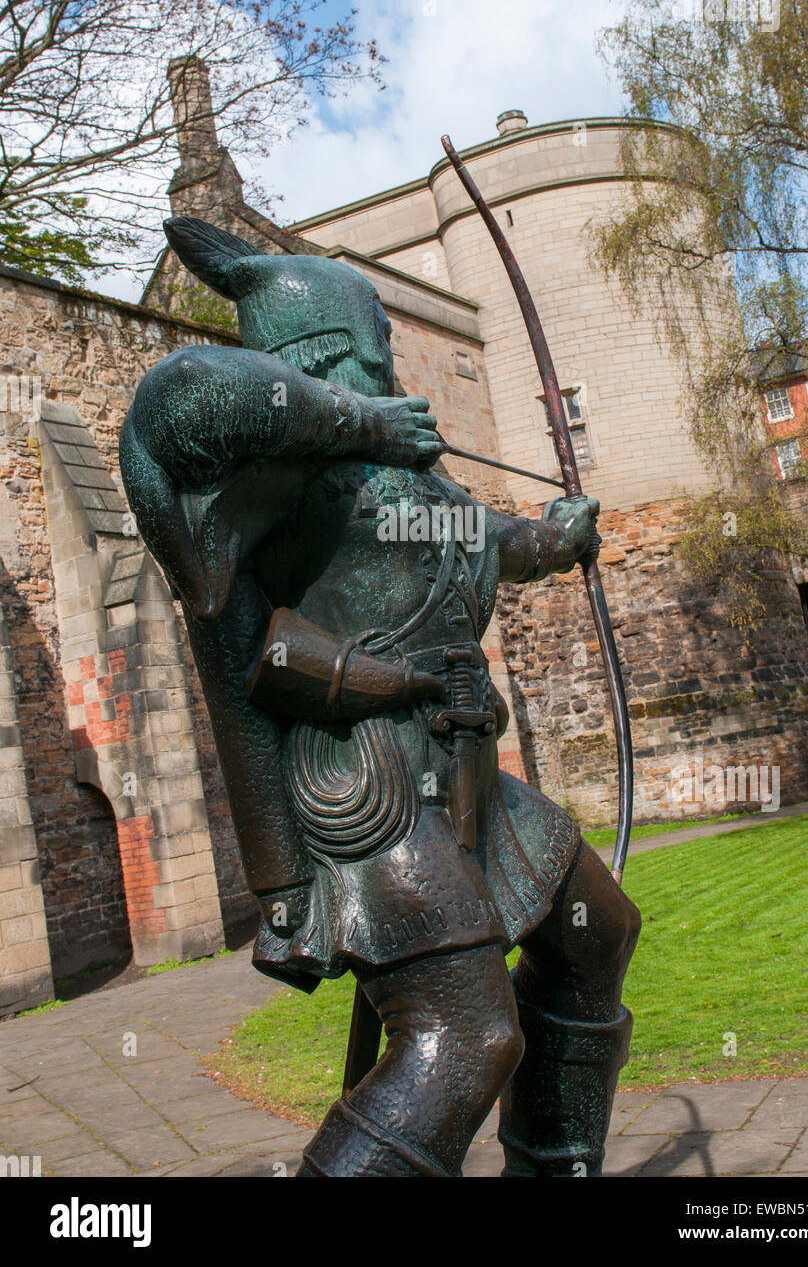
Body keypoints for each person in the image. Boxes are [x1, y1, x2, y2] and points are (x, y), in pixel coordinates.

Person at [119, 216, 641, 1178]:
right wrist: (355, 419)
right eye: (378, 351)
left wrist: (553, 539)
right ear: (325, 354)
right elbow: (178, 400)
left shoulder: (401, 478)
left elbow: (481, 540)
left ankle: (554, 1164)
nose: (391, 370)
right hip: (366, 787)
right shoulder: (265, 469)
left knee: (597, 932)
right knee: (463, 1038)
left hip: (463, 771)